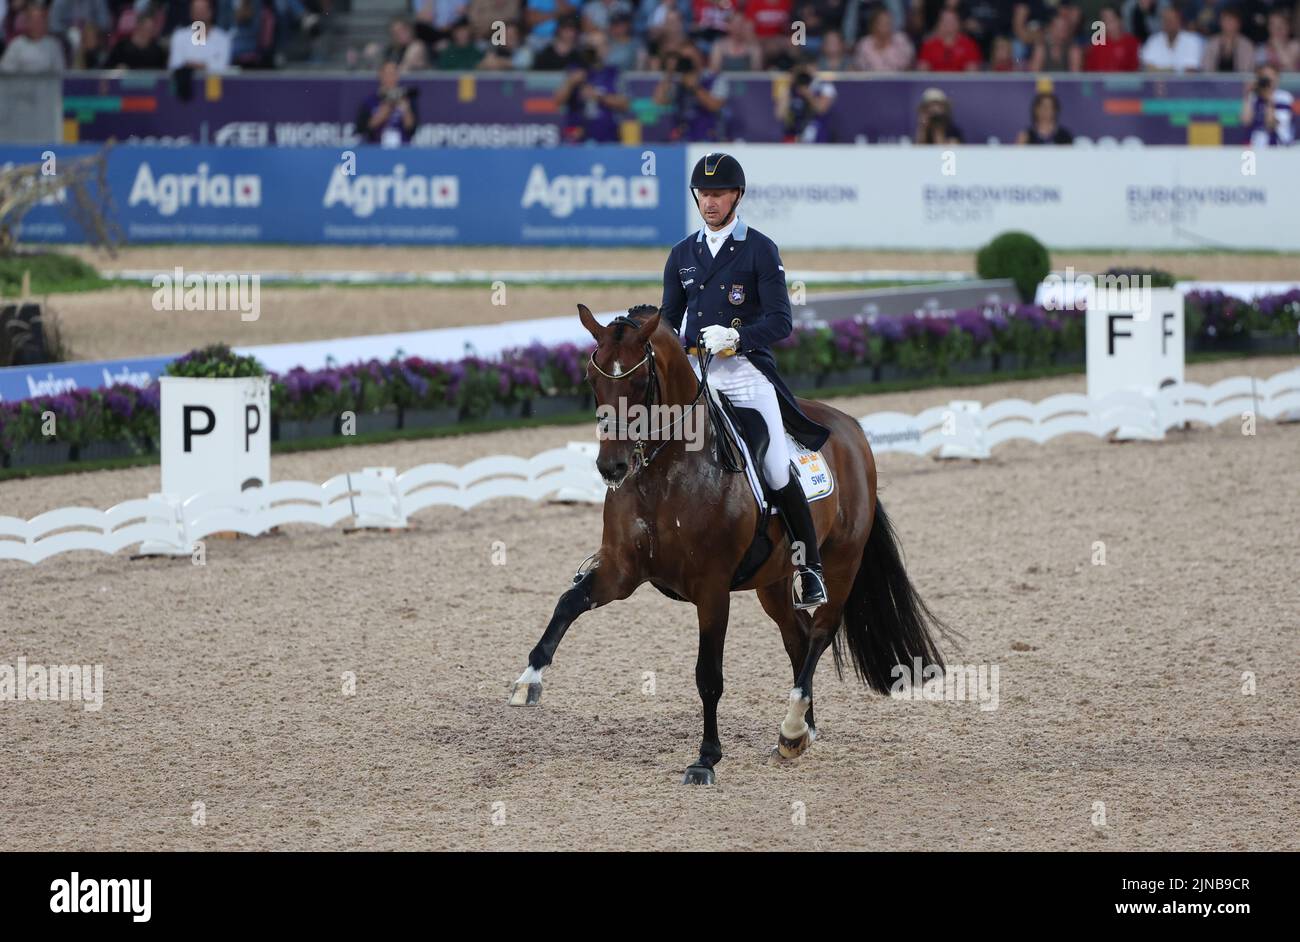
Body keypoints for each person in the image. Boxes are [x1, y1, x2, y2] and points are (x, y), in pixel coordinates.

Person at [658, 152, 831, 610]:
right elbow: (668, 323)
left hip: (746, 373)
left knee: (775, 466)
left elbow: (781, 321)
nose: (709, 203)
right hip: (698, 373)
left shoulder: (759, 249)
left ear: (737, 195)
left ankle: (810, 567)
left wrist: (736, 337)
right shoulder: (681, 255)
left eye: (718, 194)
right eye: (703, 194)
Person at [554, 35, 628, 142]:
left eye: (599, 46)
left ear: (607, 49)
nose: (595, 50)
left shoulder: (614, 73)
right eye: (592, 46)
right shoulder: (574, 70)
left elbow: (625, 104)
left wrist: (598, 96)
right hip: (578, 141)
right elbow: (557, 101)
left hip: (608, 139)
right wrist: (570, 83)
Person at [654, 46, 728, 142]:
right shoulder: (677, 80)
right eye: (683, 58)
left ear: (699, 57)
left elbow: (715, 105)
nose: (687, 61)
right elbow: (659, 101)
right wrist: (669, 73)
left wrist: (695, 87)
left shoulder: (714, 78)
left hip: (708, 138)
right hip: (681, 138)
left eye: (690, 58)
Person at [356, 60, 418, 145]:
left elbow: (412, 128)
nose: (390, 78)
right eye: (387, 74)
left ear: (398, 76)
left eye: (393, 74)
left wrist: (405, 110)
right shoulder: (370, 101)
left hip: (402, 149)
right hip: (376, 149)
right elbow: (362, 129)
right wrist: (384, 111)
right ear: (380, 75)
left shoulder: (407, 100)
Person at [167, 0, 232, 72]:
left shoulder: (223, 38)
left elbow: (224, 67)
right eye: (196, 10)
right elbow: (174, 65)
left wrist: (202, 66)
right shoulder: (179, 36)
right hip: (185, 82)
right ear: (191, 12)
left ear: (211, 12)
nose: (199, 13)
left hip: (213, 82)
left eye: (202, 10)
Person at [777, 62, 836, 141]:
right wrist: (785, 95)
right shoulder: (791, 89)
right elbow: (779, 115)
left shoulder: (823, 86)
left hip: (816, 130)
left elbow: (821, 109)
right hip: (794, 131)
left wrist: (808, 94)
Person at [0, 3, 65, 72]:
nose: (38, 24)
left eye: (41, 21)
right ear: (27, 22)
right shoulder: (16, 45)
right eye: (34, 21)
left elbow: (60, 75)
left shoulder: (53, 45)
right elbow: (6, 74)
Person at [1241, 63, 1293, 147]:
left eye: (1270, 76)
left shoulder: (1284, 97)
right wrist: (1247, 95)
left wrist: (1269, 101)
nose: (1267, 80)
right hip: (1256, 144)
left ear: (1277, 78)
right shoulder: (1254, 97)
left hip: (1278, 145)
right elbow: (1245, 121)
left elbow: (1271, 124)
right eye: (1264, 76)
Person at [916, 7, 982, 71]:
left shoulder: (969, 45)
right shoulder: (929, 45)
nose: (948, 24)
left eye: (952, 21)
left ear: (958, 23)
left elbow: (972, 72)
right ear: (939, 23)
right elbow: (922, 71)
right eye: (945, 21)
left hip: (960, 81)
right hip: (935, 82)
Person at [1140, 5, 1203, 71]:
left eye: (1171, 20)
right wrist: (1172, 70)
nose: (1168, 23)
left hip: (1184, 81)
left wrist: (1162, 71)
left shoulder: (1192, 40)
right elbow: (1148, 67)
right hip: (1156, 81)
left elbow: (1191, 69)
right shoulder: (1153, 40)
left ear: (1179, 21)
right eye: (1165, 20)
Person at [854, 6, 915, 71]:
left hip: (899, 80)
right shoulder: (864, 44)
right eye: (882, 22)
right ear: (873, 25)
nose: (886, 25)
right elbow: (860, 69)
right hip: (871, 80)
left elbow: (909, 65)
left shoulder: (901, 40)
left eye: (888, 22)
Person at [1084, 5, 1140, 71]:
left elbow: (1136, 71)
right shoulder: (1096, 44)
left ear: (1120, 20)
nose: (1107, 23)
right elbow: (1089, 73)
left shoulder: (1132, 43)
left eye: (1111, 19)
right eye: (1104, 20)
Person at [1203, 6, 1255, 72]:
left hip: (1240, 81)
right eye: (1225, 20)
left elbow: (1247, 70)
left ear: (1238, 23)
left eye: (1230, 21)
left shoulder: (1246, 45)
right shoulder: (1212, 42)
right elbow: (1206, 68)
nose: (1227, 24)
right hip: (1214, 81)